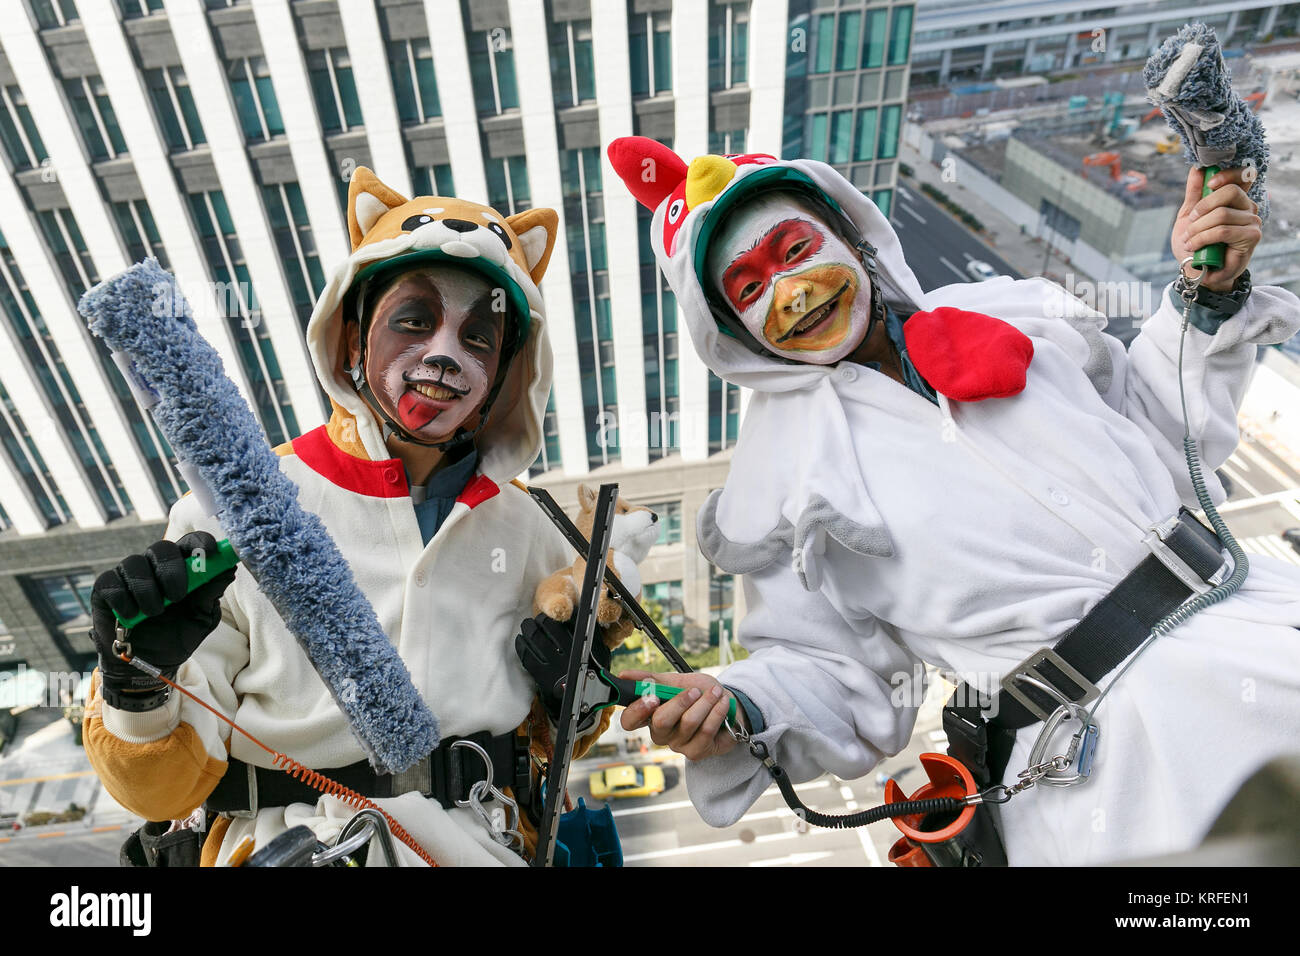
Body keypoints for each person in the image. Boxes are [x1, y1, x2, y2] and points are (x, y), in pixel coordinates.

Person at [606, 136, 1300, 865]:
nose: (792, 291)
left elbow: (1158, 433)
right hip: (1127, 765)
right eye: (749, 288)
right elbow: (832, 674)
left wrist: (1203, 296)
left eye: (795, 248)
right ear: (731, 333)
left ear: (851, 235)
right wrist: (737, 706)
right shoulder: (780, 482)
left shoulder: (1003, 312)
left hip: (1261, 623)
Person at [84, 168, 615, 867]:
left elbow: (559, 739)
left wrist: (580, 690)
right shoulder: (235, 508)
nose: (444, 354)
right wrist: (136, 684)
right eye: (414, 320)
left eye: (479, 335)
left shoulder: (534, 531)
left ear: (509, 371)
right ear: (354, 334)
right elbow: (159, 790)